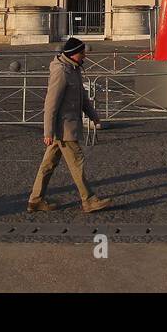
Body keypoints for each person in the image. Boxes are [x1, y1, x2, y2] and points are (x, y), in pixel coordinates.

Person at [28, 36, 110, 213]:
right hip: (64, 128)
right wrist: (48, 132)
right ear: (73, 54)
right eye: (82, 53)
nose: (84, 56)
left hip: (67, 127)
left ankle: (36, 200)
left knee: (48, 165)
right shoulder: (62, 72)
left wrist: (94, 116)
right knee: (77, 162)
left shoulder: (73, 69)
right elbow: (50, 104)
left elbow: (82, 97)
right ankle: (88, 200)